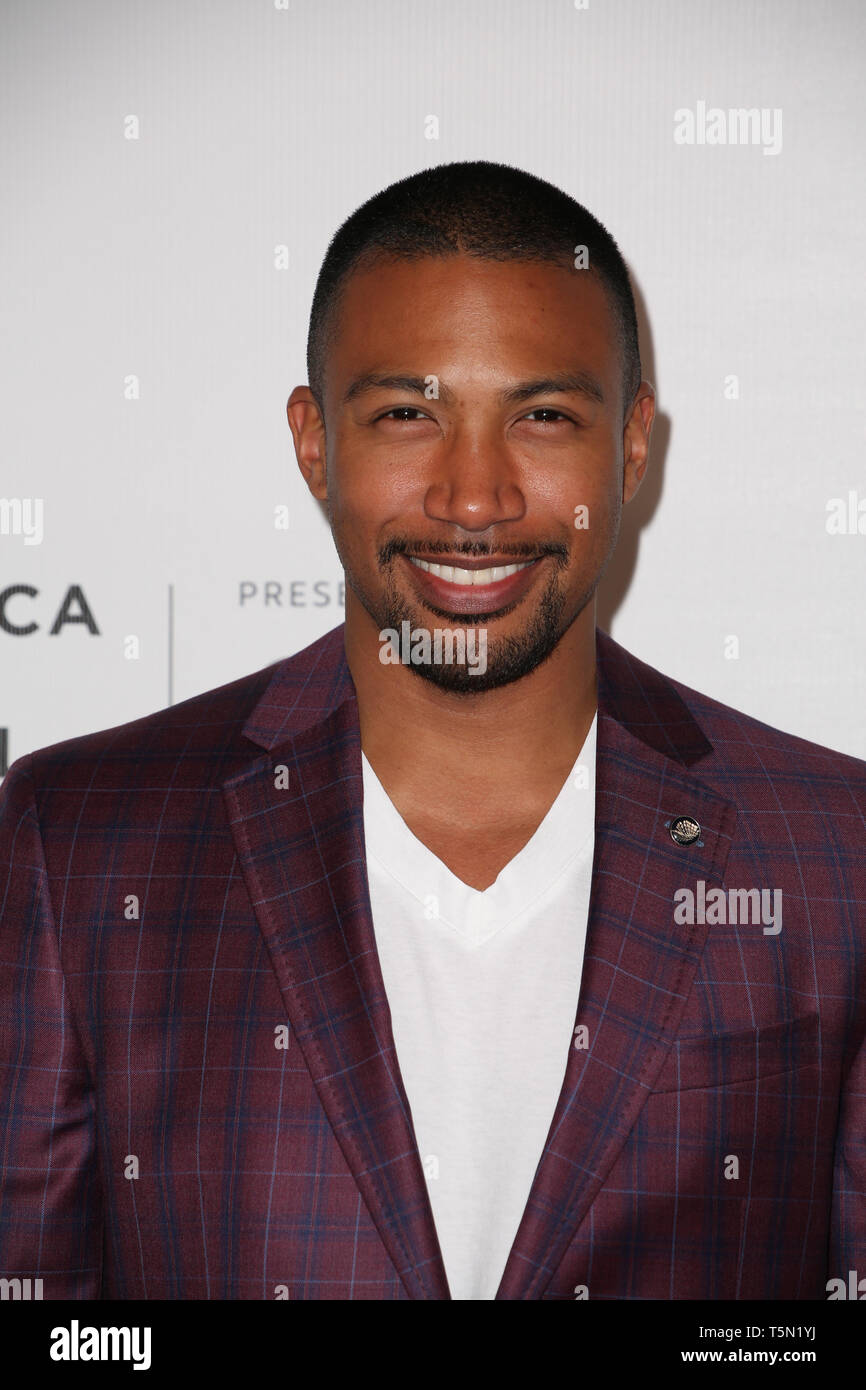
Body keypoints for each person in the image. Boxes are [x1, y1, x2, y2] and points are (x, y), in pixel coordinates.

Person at [0, 160, 863, 1301]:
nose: (473, 497)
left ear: (632, 444)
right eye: (408, 413)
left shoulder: (833, 852)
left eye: (541, 415)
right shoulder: (84, 837)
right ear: (314, 442)